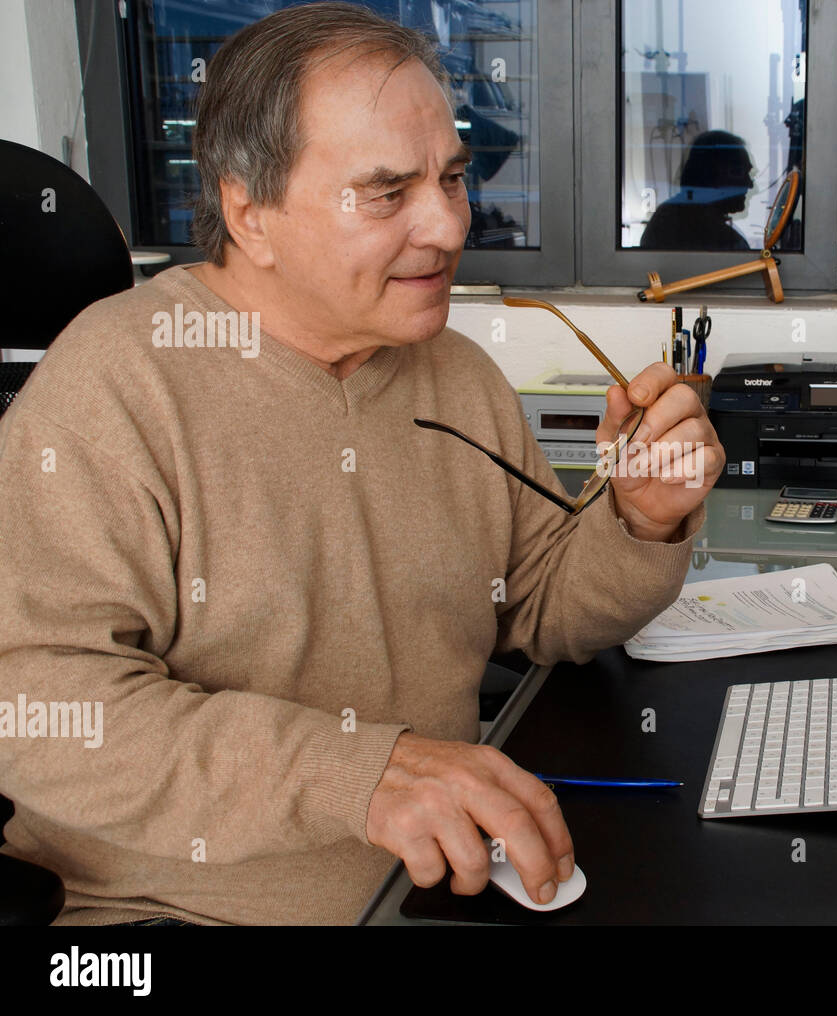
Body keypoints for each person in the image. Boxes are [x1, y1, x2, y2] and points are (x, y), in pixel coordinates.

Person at [0, 2, 721, 925]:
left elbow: (537, 603)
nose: (449, 228)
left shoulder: (453, 372)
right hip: (167, 916)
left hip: (428, 892)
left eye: (453, 180)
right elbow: (41, 709)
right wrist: (359, 770)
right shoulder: (114, 385)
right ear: (247, 211)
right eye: (387, 194)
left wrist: (639, 518)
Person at [638, 130, 755, 250]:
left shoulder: (669, 216)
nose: (749, 184)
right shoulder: (715, 237)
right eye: (738, 172)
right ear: (709, 174)